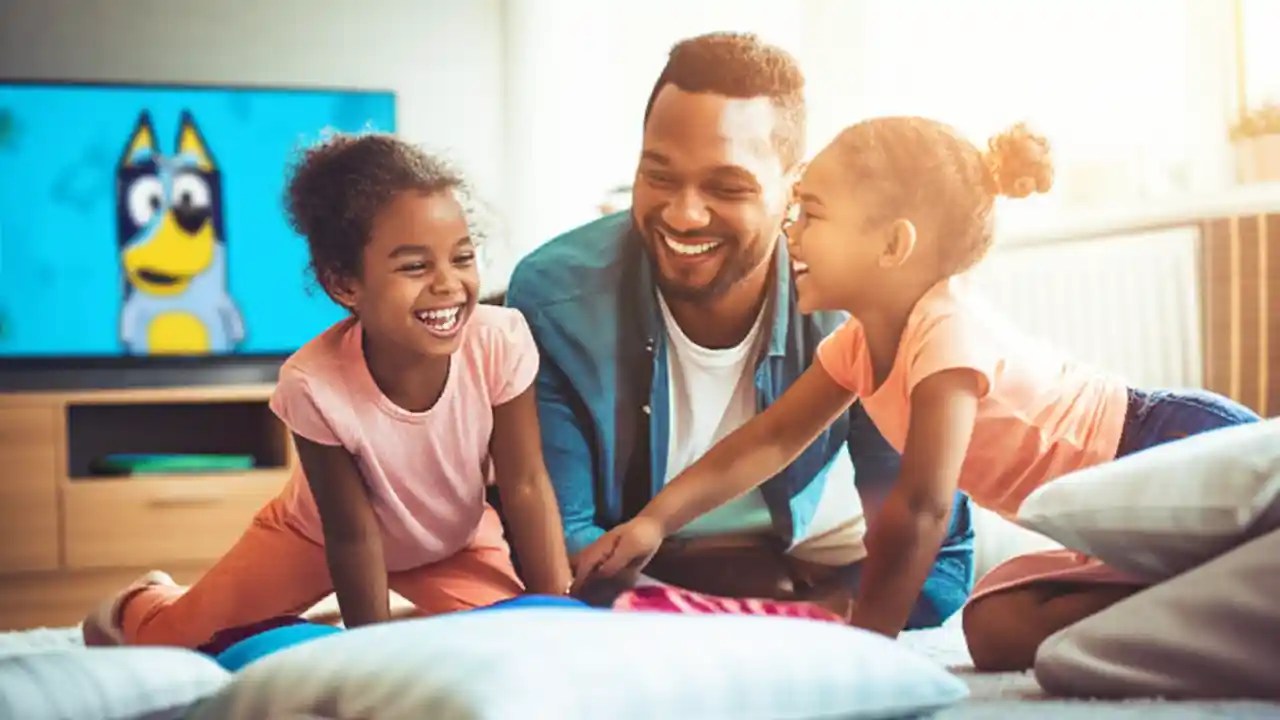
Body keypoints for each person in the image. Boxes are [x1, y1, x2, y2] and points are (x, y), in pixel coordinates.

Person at [574, 116, 1260, 665]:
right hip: (1101, 524)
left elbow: (924, 508)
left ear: (893, 246)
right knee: (992, 629)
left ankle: (1235, 586)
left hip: (1166, 457)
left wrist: (870, 650)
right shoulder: (856, 342)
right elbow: (769, 439)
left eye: (811, 213)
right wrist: (655, 521)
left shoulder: (945, 331)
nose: (792, 231)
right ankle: (1211, 593)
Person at [506, 32, 975, 627]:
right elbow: (564, 542)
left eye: (726, 187)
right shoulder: (554, 300)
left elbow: (932, 549)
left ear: (793, 191)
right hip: (650, 570)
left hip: (820, 563)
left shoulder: (860, 297)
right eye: (659, 177)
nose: (684, 214)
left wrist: (833, 621)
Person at [82, 133, 572, 649]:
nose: (449, 283)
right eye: (415, 266)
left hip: (453, 543)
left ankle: (381, 614)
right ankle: (144, 601)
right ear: (344, 284)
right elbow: (351, 535)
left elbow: (525, 485)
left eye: (462, 257)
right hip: (315, 540)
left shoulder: (501, 340)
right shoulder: (314, 385)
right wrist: (369, 659)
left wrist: (561, 615)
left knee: (518, 639)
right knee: (178, 641)